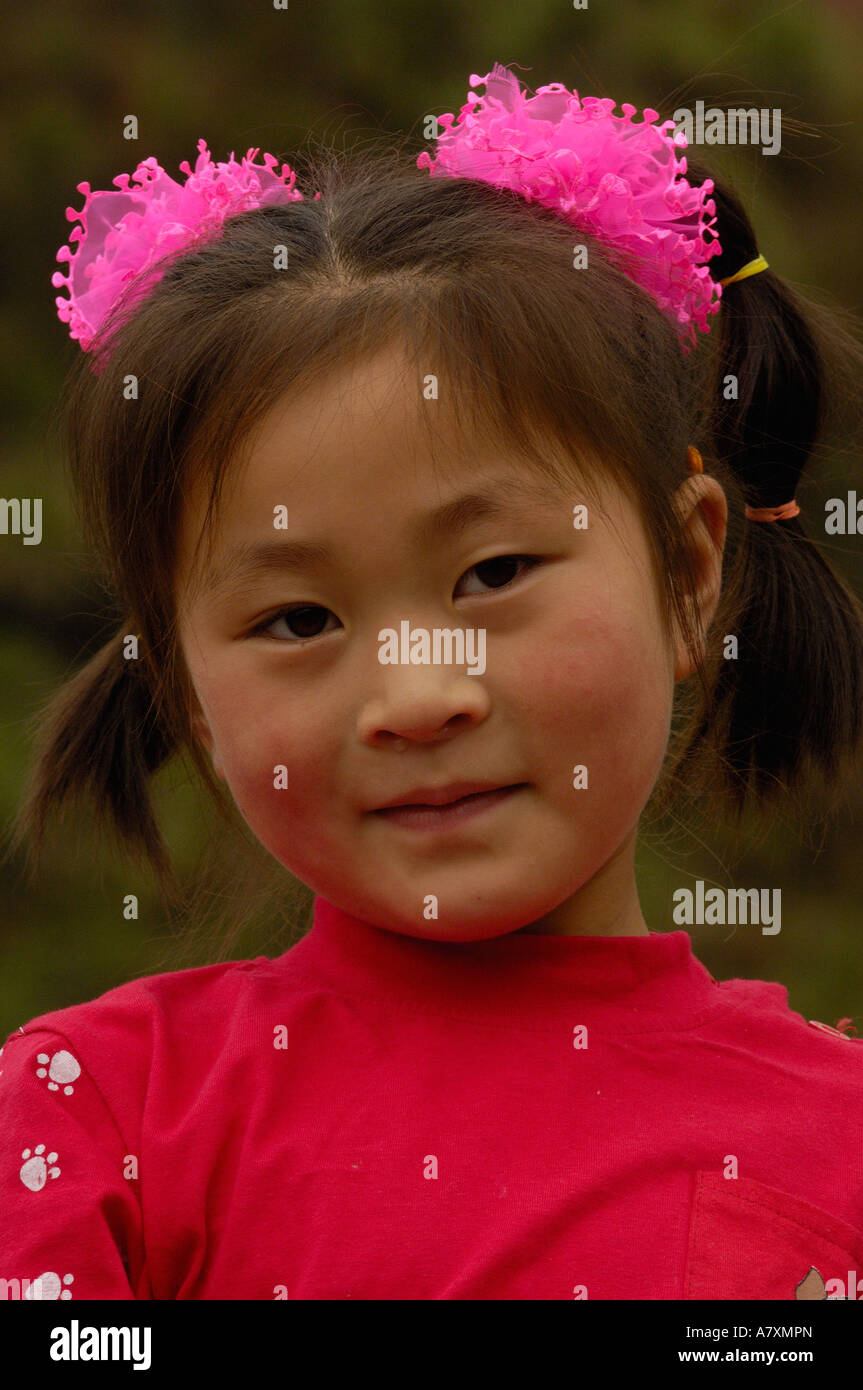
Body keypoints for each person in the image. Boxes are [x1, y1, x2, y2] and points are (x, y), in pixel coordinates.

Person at [1, 63, 862, 1301]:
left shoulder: (830, 1145)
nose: (415, 697)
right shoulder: (95, 1130)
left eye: (493, 571)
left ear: (685, 575)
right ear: (185, 683)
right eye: (298, 617)